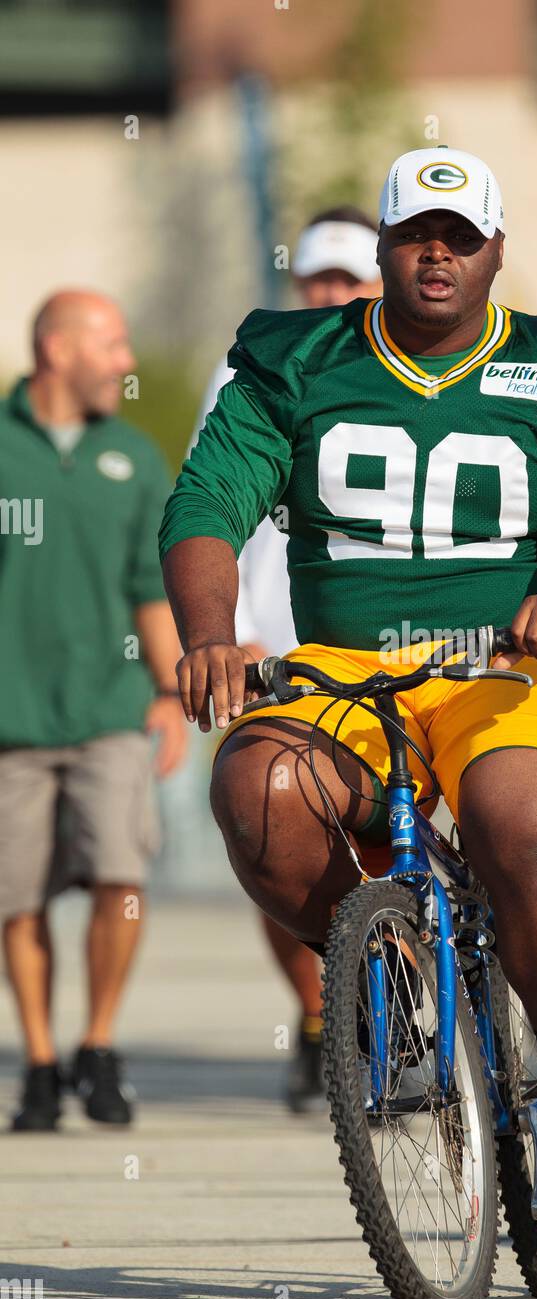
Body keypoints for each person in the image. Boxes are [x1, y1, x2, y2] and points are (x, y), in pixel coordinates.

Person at [159, 147, 537, 1220]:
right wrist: (209, 631)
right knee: (256, 791)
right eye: (413, 235)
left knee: (517, 820)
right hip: (344, 665)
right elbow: (208, 500)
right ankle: (384, 987)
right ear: (385, 248)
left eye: (459, 236)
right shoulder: (297, 359)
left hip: (514, 659)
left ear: (494, 250)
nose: (435, 254)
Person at [189, 207, 381, 1112]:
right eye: (320, 282)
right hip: (277, 639)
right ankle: (319, 1013)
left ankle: (410, 1000)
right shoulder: (255, 368)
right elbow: (213, 510)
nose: (333, 297)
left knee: (393, 839)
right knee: (279, 834)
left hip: (385, 638)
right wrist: (223, 634)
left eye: (350, 282)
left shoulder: (412, 362)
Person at [0, 291, 188, 1132]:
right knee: (18, 898)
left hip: (112, 713)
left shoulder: (134, 458)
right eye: (110, 344)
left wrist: (172, 692)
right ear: (55, 347)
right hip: (11, 722)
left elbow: (150, 591)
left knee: (122, 875)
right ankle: (39, 1061)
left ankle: (98, 1044)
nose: (125, 362)